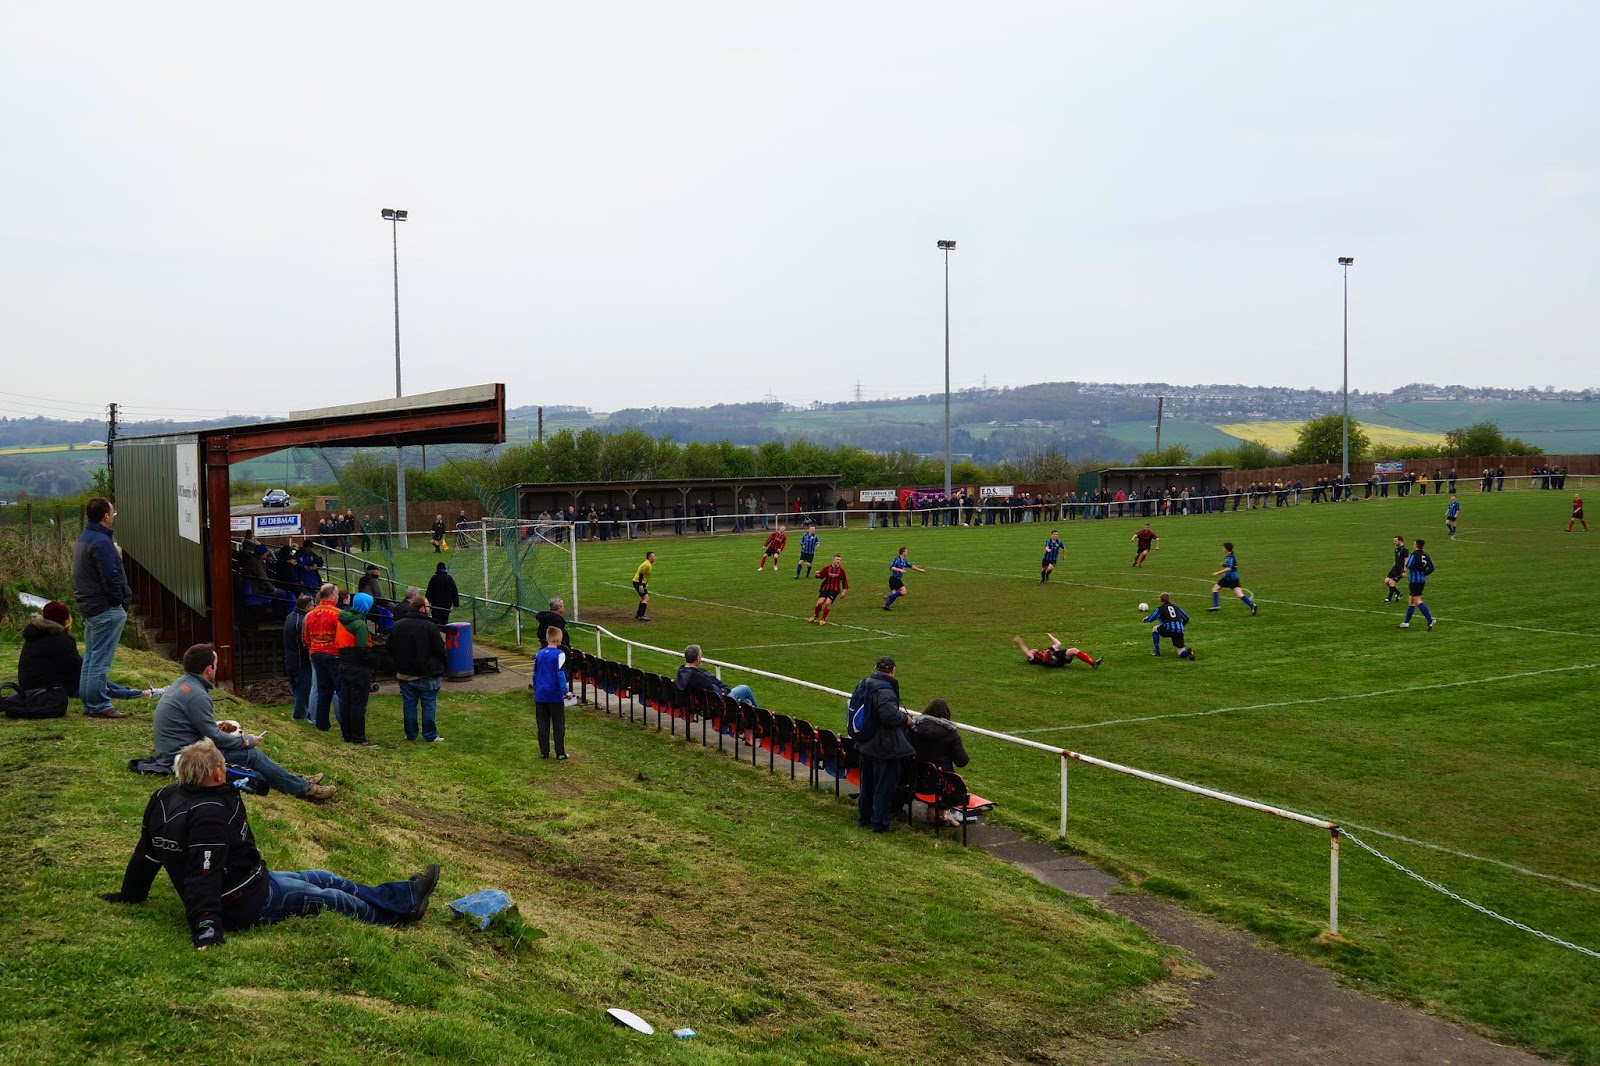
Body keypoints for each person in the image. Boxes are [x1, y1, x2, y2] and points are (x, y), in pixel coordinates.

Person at [104, 737, 435, 948]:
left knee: (324, 877)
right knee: (330, 898)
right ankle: (400, 913)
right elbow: (201, 874)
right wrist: (207, 927)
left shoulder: (165, 797)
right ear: (216, 773)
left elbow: (147, 852)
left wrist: (130, 894)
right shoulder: (209, 814)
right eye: (223, 765)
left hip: (254, 879)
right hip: (245, 902)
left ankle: (403, 895)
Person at [148, 643, 335, 801]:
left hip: (172, 753)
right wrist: (245, 741)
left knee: (248, 753)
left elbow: (206, 730)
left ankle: (295, 780)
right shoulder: (196, 695)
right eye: (216, 664)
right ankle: (303, 789)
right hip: (182, 760)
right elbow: (214, 737)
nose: (217, 668)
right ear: (209, 669)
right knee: (251, 755)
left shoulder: (184, 684)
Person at [18, 600, 158, 702]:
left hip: (31, 684)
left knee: (96, 680)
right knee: (94, 686)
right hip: (49, 688)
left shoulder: (37, 633)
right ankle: (141, 694)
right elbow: (79, 669)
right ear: (64, 620)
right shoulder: (60, 640)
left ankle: (131, 691)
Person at [71, 497, 133, 719]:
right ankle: (98, 704)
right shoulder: (101, 542)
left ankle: (90, 700)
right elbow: (110, 576)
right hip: (104, 608)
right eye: (112, 513)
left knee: (91, 657)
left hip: (90, 606)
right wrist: (119, 600)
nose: (113, 516)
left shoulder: (85, 538)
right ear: (105, 516)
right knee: (100, 660)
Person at [852, 655, 913, 834]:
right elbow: (888, 716)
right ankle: (878, 823)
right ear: (893, 670)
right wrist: (904, 718)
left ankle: (865, 818)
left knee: (868, 783)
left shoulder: (864, 683)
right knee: (884, 786)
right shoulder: (885, 689)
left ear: (876, 667)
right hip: (883, 746)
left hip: (865, 741)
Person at [389, 595, 446, 743]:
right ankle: (430, 735)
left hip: (405, 674)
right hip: (428, 674)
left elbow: (389, 648)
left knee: (409, 706)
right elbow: (440, 649)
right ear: (422, 608)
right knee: (428, 705)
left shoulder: (397, 625)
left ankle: (411, 734)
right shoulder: (430, 626)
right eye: (427, 607)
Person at [909, 698, 969, 827]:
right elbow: (962, 761)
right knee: (949, 778)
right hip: (942, 785)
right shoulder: (951, 734)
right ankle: (944, 812)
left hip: (916, 779)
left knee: (935, 774)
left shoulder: (915, 728)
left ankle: (934, 811)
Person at [336, 592, 378, 746]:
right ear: (365, 606)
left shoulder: (342, 619)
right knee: (358, 704)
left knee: (346, 702)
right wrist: (374, 661)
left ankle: (347, 735)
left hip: (343, 664)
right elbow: (363, 650)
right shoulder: (359, 624)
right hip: (358, 668)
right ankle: (359, 737)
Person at [303, 583, 343, 731]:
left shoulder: (309, 615)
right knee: (340, 690)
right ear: (332, 595)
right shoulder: (338, 614)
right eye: (337, 594)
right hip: (333, 654)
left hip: (316, 654)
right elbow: (341, 637)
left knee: (323, 690)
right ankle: (344, 722)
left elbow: (306, 638)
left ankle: (321, 723)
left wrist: (313, 649)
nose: (338, 597)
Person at [674, 644, 756, 705]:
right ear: (698, 658)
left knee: (746, 702)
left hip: (702, 703)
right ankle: (761, 721)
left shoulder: (681, 672)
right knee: (745, 689)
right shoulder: (698, 676)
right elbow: (713, 688)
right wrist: (724, 690)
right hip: (718, 702)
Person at [532, 626, 570, 760]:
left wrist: (537, 688)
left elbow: (535, 674)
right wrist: (566, 691)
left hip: (541, 694)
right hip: (554, 695)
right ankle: (560, 752)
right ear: (559, 640)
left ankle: (544, 752)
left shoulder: (539, 654)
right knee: (558, 724)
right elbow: (560, 674)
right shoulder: (560, 654)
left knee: (542, 724)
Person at [283, 593, 313, 722]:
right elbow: (304, 643)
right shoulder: (302, 621)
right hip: (300, 661)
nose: (314, 607)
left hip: (290, 659)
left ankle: (305, 713)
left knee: (297, 689)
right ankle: (300, 716)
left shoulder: (290, 617)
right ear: (306, 607)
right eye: (312, 605)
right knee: (303, 689)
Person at [1209, 542, 1257, 615]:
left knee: (1215, 588)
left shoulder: (1230, 557)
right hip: (1235, 578)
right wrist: (1224, 565)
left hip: (1228, 578)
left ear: (1227, 549)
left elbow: (1230, 568)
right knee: (1239, 594)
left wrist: (1218, 572)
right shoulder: (1231, 556)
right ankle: (1252, 605)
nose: (1223, 549)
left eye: (1223, 548)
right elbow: (1232, 566)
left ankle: (1216, 605)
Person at [1144, 594, 1196, 659]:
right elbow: (1186, 618)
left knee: (1155, 629)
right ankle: (1189, 651)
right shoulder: (1177, 607)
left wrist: (1145, 619)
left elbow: (1152, 618)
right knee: (1181, 652)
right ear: (1169, 599)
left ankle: (1156, 651)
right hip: (1179, 630)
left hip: (1168, 629)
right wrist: (1181, 626)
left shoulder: (1160, 608)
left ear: (1160, 600)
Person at [1400, 538, 1436, 631]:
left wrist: (1415, 568)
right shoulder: (1426, 555)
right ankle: (1406, 622)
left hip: (1414, 580)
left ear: (1416, 545)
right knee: (1411, 600)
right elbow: (1432, 568)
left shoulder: (1414, 554)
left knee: (1417, 600)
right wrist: (1424, 573)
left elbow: (1409, 565)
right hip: (1422, 580)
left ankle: (1430, 619)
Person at [1011, 633, 1102, 668]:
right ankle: (1051, 658)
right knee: (1047, 654)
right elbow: (1026, 651)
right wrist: (1019, 642)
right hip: (1048, 662)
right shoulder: (1033, 657)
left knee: (1073, 650)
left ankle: (1093, 663)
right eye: (1030, 650)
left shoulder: (1045, 649)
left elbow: (1058, 643)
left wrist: (1049, 635)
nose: (1031, 649)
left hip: (1058, 657)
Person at [808, 554, 849, 625]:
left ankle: (823, 618)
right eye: (837, 559)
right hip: (825, 588)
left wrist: (844, 591)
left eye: (839, 560)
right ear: (833, 560)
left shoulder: (841, 570)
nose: (838, 561)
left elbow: (844, 581)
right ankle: (816, 615)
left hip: (834, 590)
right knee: (819, 603)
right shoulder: (827, 568)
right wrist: (817, 575)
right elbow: (821, 576)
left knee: (827, 603)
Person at [882, 547, 926, 611]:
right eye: (906, 551)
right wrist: (900, 570)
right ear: (903, 552)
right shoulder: (896, 560)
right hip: (895, 579)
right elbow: (891, 568)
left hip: (893, 579)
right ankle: (889, 597)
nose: (907, 553)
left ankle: (886, 606)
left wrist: (920, 570)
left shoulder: (904, 561)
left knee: (895, 594)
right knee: (904, 592)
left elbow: (911, 566)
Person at [1382, 535, 1408, 604]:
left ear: (1400, 540)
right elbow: (1397, 560)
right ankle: (1398, 593)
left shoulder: (1404, 549)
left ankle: (1389, 599)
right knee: (1386, 581)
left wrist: (1404, 571)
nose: (1394, 542)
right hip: (1395, 568)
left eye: (1395, 541)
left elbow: (1406, 560)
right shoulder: (1396, 549)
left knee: (1391, 583)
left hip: (1400, 570)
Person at [631, 551, 655, 622]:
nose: (655, 558)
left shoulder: (648, 564)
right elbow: (641, 574)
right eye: (653, 556)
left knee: (643, 598)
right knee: (646, 598)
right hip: (638, 582)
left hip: (639, 582)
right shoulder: (647, 564)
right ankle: (641, 616)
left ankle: (638, 614)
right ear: (650, 557)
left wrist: (646, 583)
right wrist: (641, 585)